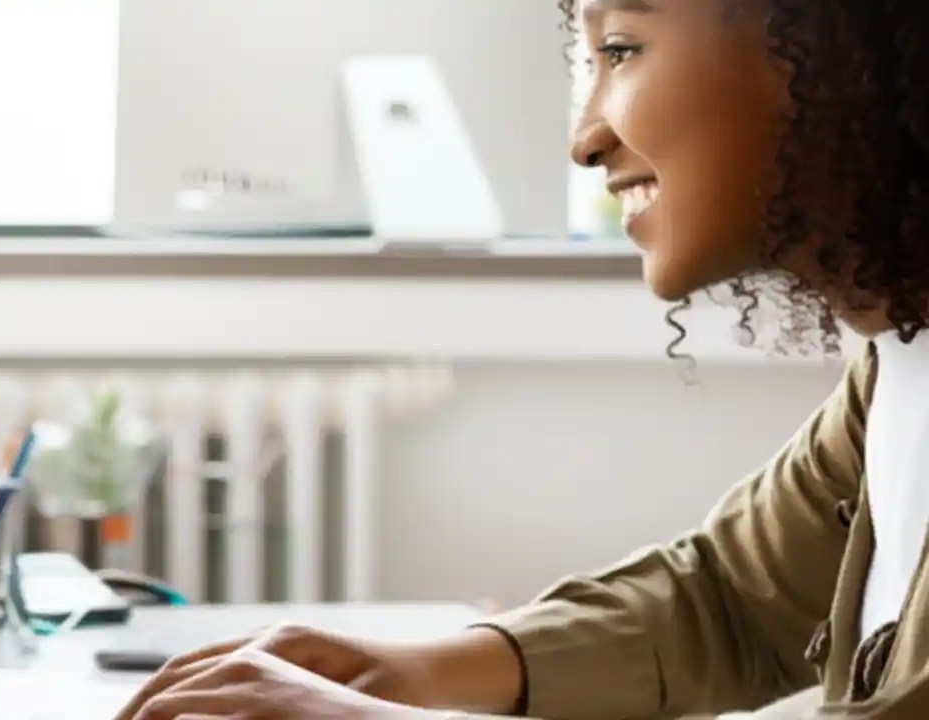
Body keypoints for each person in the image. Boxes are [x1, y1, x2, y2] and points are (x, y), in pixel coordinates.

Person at [114, 0, 929, 717]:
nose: (586, 139)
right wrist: (410, 669)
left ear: (834, 47)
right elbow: (729, 602)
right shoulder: (895, 360)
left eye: (622, 49)